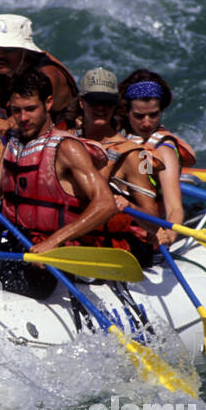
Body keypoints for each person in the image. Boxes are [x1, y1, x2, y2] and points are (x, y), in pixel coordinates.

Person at [0, 71, 119, 294]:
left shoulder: (67, 149)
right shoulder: (15, 145)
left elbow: (106, 204)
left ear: (48, 103)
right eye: (16, 111)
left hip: (57, 257)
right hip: (17, 248)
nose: (23, 118)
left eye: (31, 109)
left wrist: (53, 242)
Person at [64, 67, 154, 265]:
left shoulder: (134, 155)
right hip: (68, 240)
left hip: (109, 248)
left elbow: (153, 221)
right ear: (81, 102)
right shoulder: (65, 142)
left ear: (115, 106)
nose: (100, 108)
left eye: (107, 102)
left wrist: (130, 205)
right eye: (94, 101)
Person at [106, 69, 196, 246]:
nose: (147, 123)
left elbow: (174, 207)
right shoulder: (117, 133)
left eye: (153, 115)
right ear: (126, 111)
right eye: (139, 116)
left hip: (144, 223)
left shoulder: (164, 150)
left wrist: (169, 234)